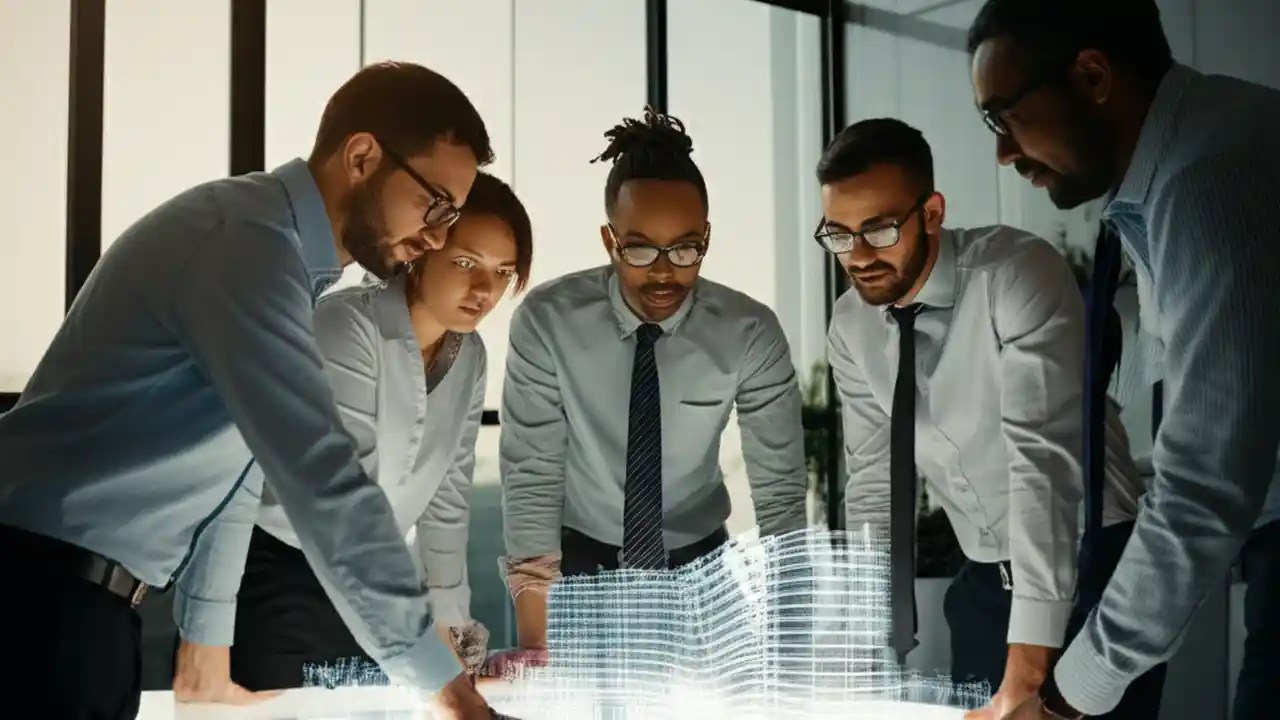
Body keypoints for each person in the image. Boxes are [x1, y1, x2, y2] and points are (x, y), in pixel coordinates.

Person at [0, 61, 500, 719]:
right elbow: (324, 484)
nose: (439, 233)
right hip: (38, 603)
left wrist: (206, 639)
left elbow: (240, 465)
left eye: (453, 213)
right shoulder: (248, 247)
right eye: (434, 202)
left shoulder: (276, 256)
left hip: (82, 607)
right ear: (361, 156)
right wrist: (451, 693)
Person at [967, 1, 1280, 718]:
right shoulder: (1192, 163)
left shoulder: (1210, 179)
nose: (1002, 154)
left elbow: (1205, 482)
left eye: (1001, 117)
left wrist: (1068, 697)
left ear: (1093, 75)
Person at [818, 118, 1157, 719]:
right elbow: (874, 485)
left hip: (1094, 562)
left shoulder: (1016, 274)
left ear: (931, 212)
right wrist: (864, 647)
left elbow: (1041, 467)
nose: (859, 255)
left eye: (879, 229)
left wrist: (1028, 670)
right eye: (839, 235)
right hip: (981, 583)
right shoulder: (850, 326)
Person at [168, 173, 533, 696]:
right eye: (465, 263)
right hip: (282, 574)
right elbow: (344, 499)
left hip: (370, 586)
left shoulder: (470, 356)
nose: (484, 290)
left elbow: (446, 502)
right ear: (422, 249)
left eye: (502, 272)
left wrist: (453, 629)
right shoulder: (346, 326)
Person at [489, 107, 809, 672]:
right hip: (579, 562)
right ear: (609, 239)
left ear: (706, 237)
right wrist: (538, 644)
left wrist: (791, 637)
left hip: (701, 566)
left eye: (685, 248)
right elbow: (532, 475)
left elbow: (780, 493)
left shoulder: (748, 332)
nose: (664, 272)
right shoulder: (547, 322)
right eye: (639, 249)